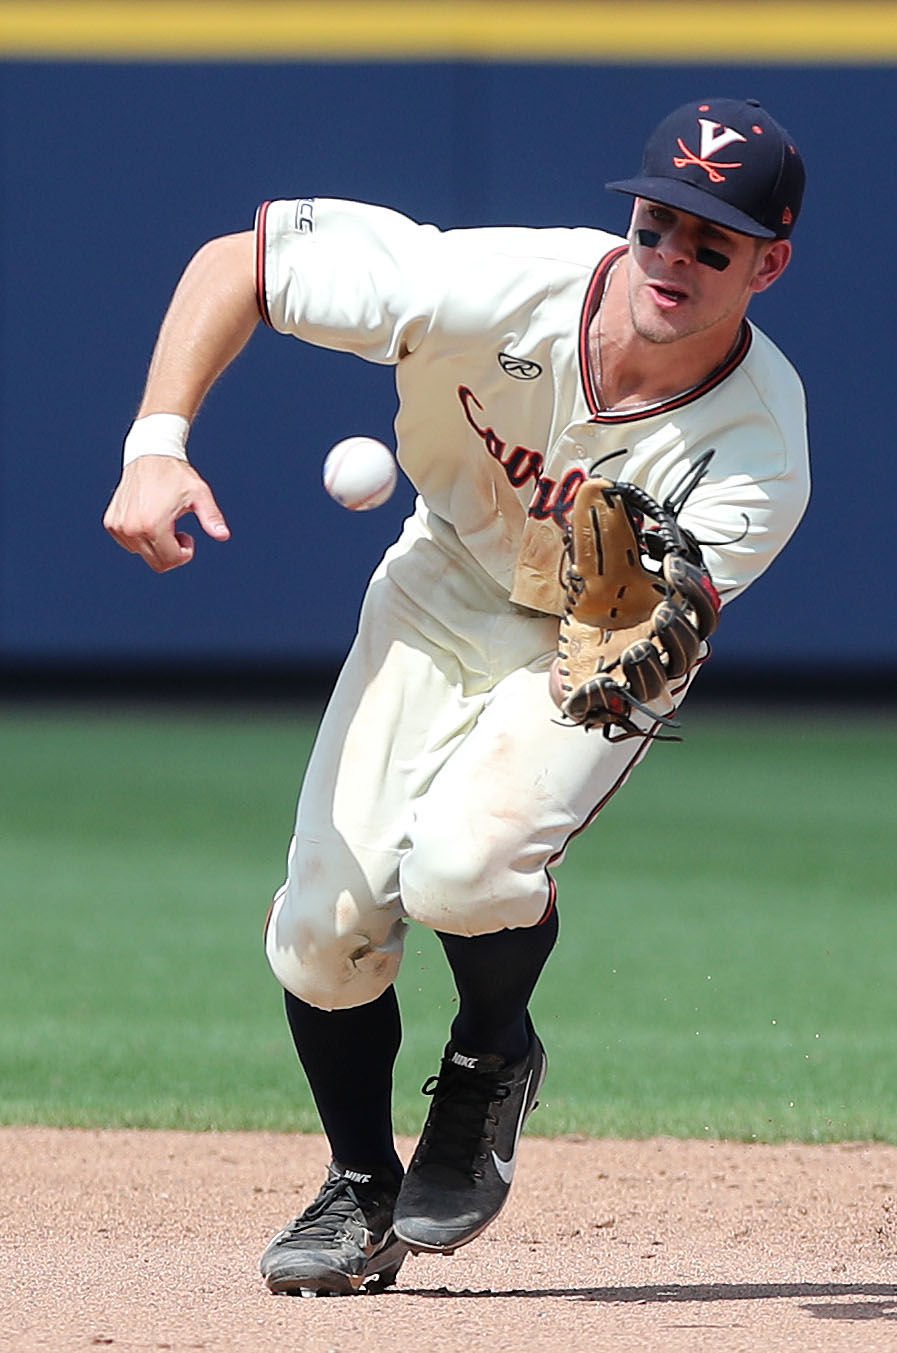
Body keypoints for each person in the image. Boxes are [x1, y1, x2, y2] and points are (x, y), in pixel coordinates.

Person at [103, 96, 809, 1297]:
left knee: (465, 871)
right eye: (659, 223)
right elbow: (243, 264)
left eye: (713, 242)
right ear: (631, 219)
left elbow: (640, 629)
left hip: (590, 637)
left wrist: (628, 643)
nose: (673, 259)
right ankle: (357, 1189)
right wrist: (154, 443)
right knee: (325, 934)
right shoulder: (487, 286)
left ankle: (490, 1056)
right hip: (445, 583)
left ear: (768, 263)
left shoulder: (758, 448)